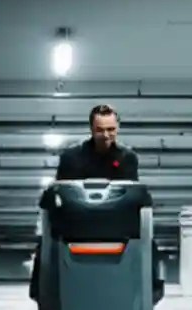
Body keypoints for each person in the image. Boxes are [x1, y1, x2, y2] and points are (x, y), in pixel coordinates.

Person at [29, 104, 144, 299]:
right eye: (100, 130)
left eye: (111, 129)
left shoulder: (128, 158)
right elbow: (61, 193)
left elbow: (130, 194)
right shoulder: (72, 157)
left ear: (118, 128)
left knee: (150, 247)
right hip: (76, 225)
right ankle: (45, 304)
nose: (106, 135)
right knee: (44, 250)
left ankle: (143, 301)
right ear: (91, 129)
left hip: (115, 225)